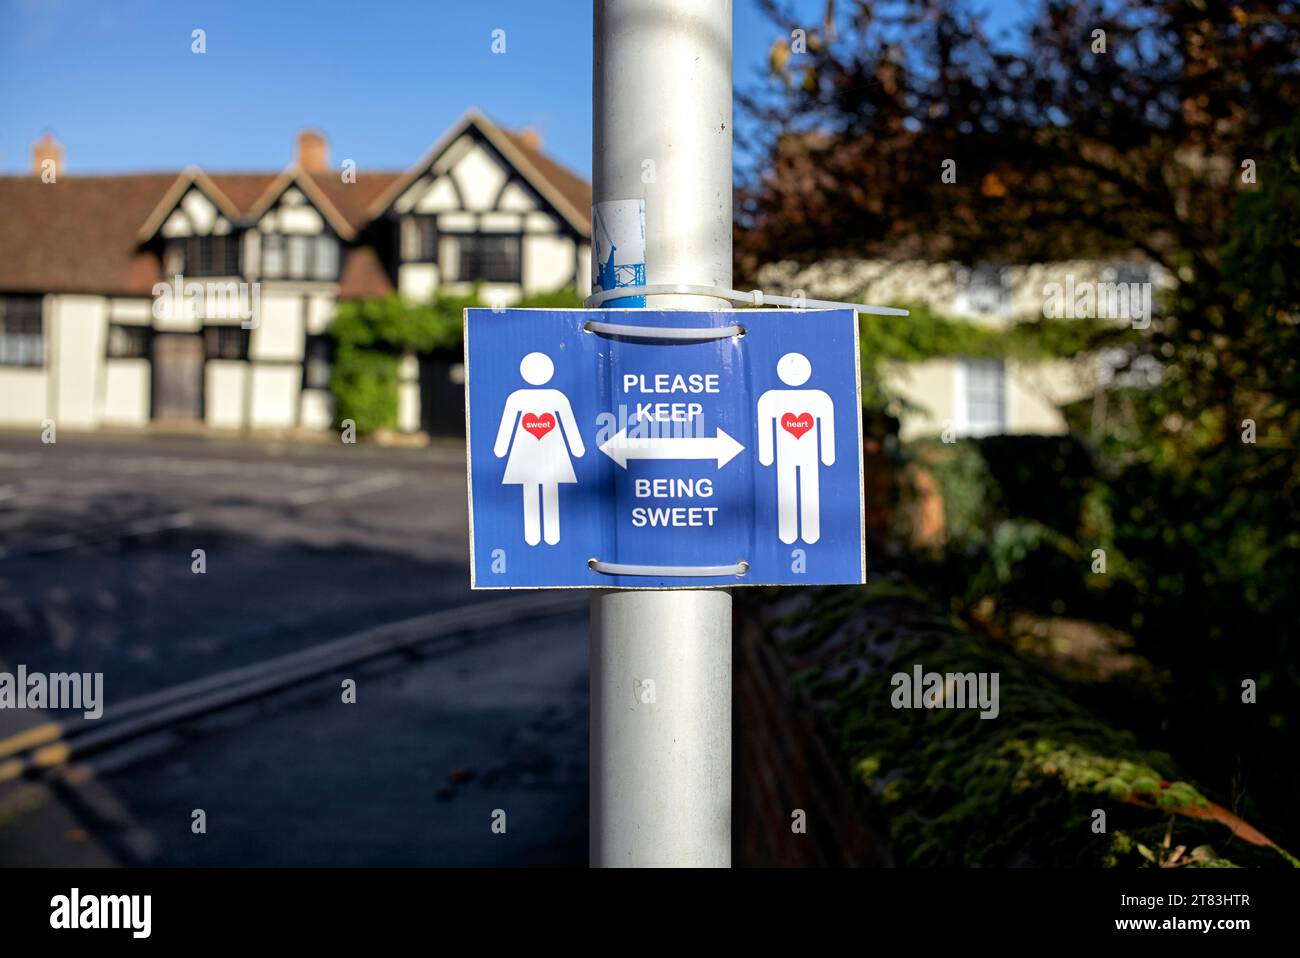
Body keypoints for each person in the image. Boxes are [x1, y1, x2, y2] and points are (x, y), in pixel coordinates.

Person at [494, 352, 584, 545]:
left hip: (550, 452)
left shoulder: (555, 397)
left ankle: (548, 535)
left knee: (547, 489)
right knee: (532, 490)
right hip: (528, 453)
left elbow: (568, 423)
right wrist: (501, 447)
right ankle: (535, 536)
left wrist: (576, 447)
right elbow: (508, 423)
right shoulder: (519, 398)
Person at [757, 352, 835, 544]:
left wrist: (827, 455)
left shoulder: (819, 398)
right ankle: (787, 533)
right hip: (785, 456)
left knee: (810, 491)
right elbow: (765, 425)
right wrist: (766, 455)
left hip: (810, 455)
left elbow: (826, 425)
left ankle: (811, 533)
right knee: (786, 490)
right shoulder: (770, 398)